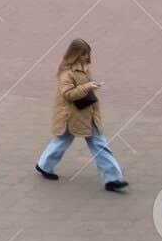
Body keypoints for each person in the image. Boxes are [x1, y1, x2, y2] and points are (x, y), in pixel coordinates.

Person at [36, 39, 128, 192]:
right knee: (67, 140)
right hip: (72, 116)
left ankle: (113, 178)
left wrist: (90, 86)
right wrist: (87, 86)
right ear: (76, 54)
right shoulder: (66, 73)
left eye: (88, 54)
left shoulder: (83, 68)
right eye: (84, 54)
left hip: (86, 113)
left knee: (92, 143)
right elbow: (68, 94)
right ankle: (44, 165)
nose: (87, 57)